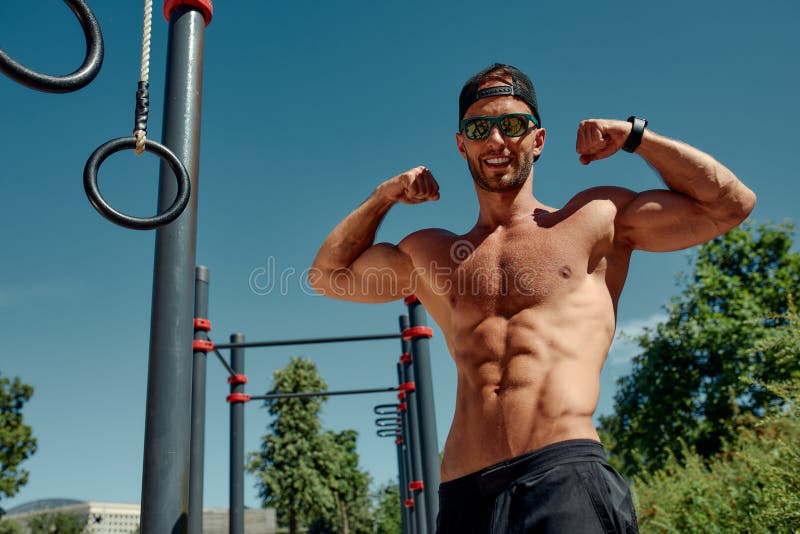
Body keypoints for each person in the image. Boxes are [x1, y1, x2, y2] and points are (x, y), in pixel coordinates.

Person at [309, 63, 756, 533]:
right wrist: (384, 196)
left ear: (538, 139)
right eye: (479, 127)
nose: (497, 140)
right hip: (465, 496)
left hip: (563, 478)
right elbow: (328, 278)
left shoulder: (592, 219)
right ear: (462, 144)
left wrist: (634, 136)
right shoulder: (431, 253)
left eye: (513, 125)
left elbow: (729, 205)